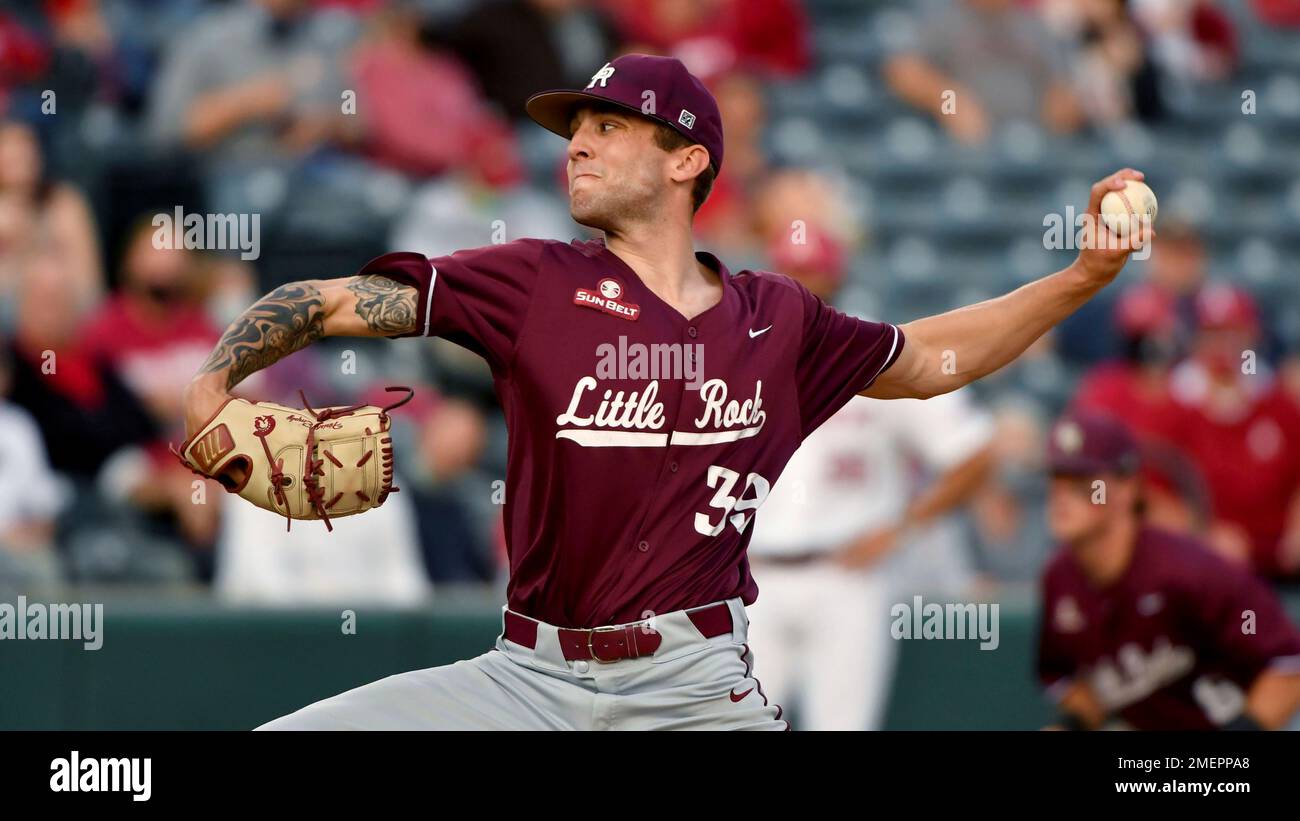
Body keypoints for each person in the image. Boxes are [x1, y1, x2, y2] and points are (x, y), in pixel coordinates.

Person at [181, 54, 1148, 730]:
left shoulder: (781, 321)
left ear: (689, 161)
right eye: (577, 130)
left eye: (609, 126)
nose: (579, 145)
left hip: (695, 689)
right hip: (524, 678)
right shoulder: (530, 282)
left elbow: (938, 358)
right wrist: (215, 380)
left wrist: (1080, 278)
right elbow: (332, 302)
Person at [745, 227, 994, 731]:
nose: (802, 287)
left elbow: (973, 453)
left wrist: (903, 527)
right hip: (753, 578)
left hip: (848, 577)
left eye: (812, 275)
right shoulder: (741, 357)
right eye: (790, 274)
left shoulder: (868, 352)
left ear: (836, 278)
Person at [1036, 412, 1300, 730]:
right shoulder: (1059, 580)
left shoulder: (1189, 569)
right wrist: (1072, 723)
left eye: (1081, 483)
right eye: (1055, 481)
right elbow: (1070, 683)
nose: (1061, 497)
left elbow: (1288, 664)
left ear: (1126, 488)